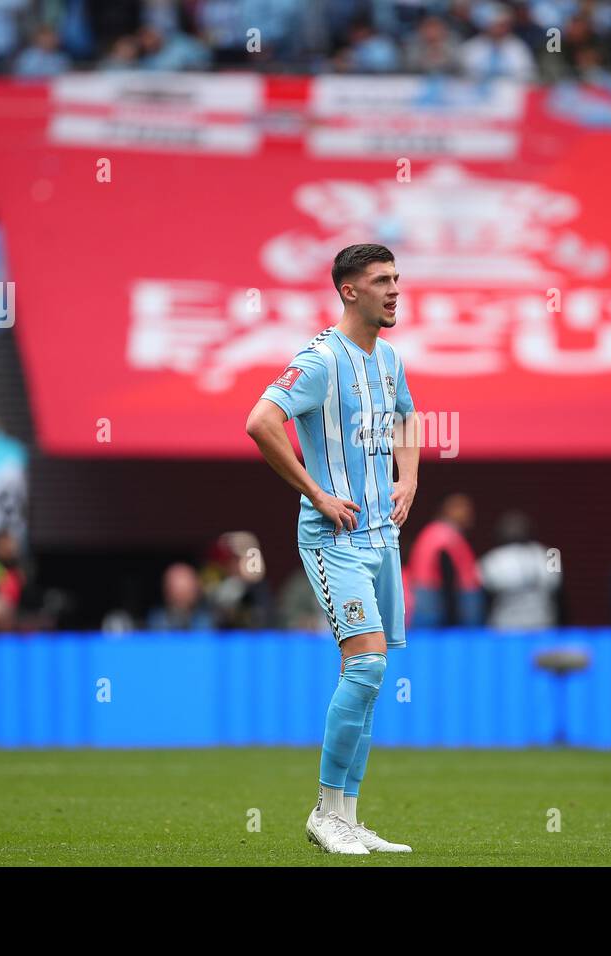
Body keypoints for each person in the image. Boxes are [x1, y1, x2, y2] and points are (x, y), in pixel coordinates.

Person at [245, 243, 418, 855]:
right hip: (334, 537)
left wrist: (410, 476)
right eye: (381, 280)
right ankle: (325, 812)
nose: (395, 289)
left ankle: (347, 816)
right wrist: (316, 492)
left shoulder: (390, 358)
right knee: (367, 666)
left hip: (381, 537)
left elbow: (407, 417)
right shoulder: (320, 359)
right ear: (350, 291)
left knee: (368, 675)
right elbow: (261, 421)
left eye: (396, 278)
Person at [406, 493, 483, 627]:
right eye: (462, 509)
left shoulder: (436, 531)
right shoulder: (444, 533)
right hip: (431, 595)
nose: (468, 514)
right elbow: (449, 572)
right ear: (449, 510)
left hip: (426, 593)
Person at [479, 510, 560, 630]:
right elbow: (558, 591)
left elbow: (483, 598)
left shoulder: (491, 559)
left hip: (505, 628)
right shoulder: (550, 554)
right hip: (541, 625)